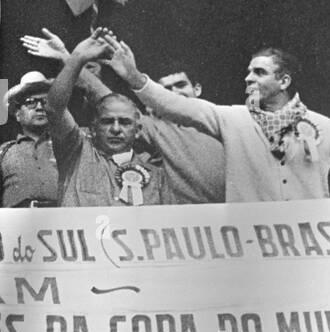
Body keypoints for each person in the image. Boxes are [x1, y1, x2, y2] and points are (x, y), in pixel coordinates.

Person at [100, 32, 330, 249]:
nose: (248, 78)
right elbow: (177, 106)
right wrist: (135, 77)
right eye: (249, 72)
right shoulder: (233, 119)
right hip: (248, 255)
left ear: (284, 81)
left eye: (259, 72)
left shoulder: (322, 127)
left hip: (309, 255)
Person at [22, 28, 225, 204]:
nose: (173, 93)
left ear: (197, 88)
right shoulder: (157, 135)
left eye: (180, 85)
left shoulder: (225, 123)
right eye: (166, 89)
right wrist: (71, 58)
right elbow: (109, 103)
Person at [46, 35, 176, 207]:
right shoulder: (76, 153)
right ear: (93, 129)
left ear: (138, 130)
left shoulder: (158, 177)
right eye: (107, 121)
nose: (116, 129)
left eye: (125, 122)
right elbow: (54, 110)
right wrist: (76, 59)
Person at [0, 72, 59, 207]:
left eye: (45, 102)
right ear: (17, 114)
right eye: (31, 102)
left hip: (63, 224)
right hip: (14, 226)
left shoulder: (71, 147)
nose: (39, 107)